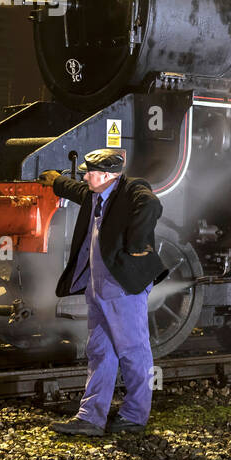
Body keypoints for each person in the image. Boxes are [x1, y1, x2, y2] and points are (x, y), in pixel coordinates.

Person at [39, 149, 167, 436]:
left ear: (109, 176)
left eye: (90, 172)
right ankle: (91, 417)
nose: (85, 176)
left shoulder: (134, 189)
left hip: (122, 285)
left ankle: (135, 415)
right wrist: (57, 180)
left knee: (133, 350)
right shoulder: (96, 193)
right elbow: (78, 190)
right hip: (99, 286)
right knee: (100, 351)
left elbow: (151, 206)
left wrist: (137, 243)